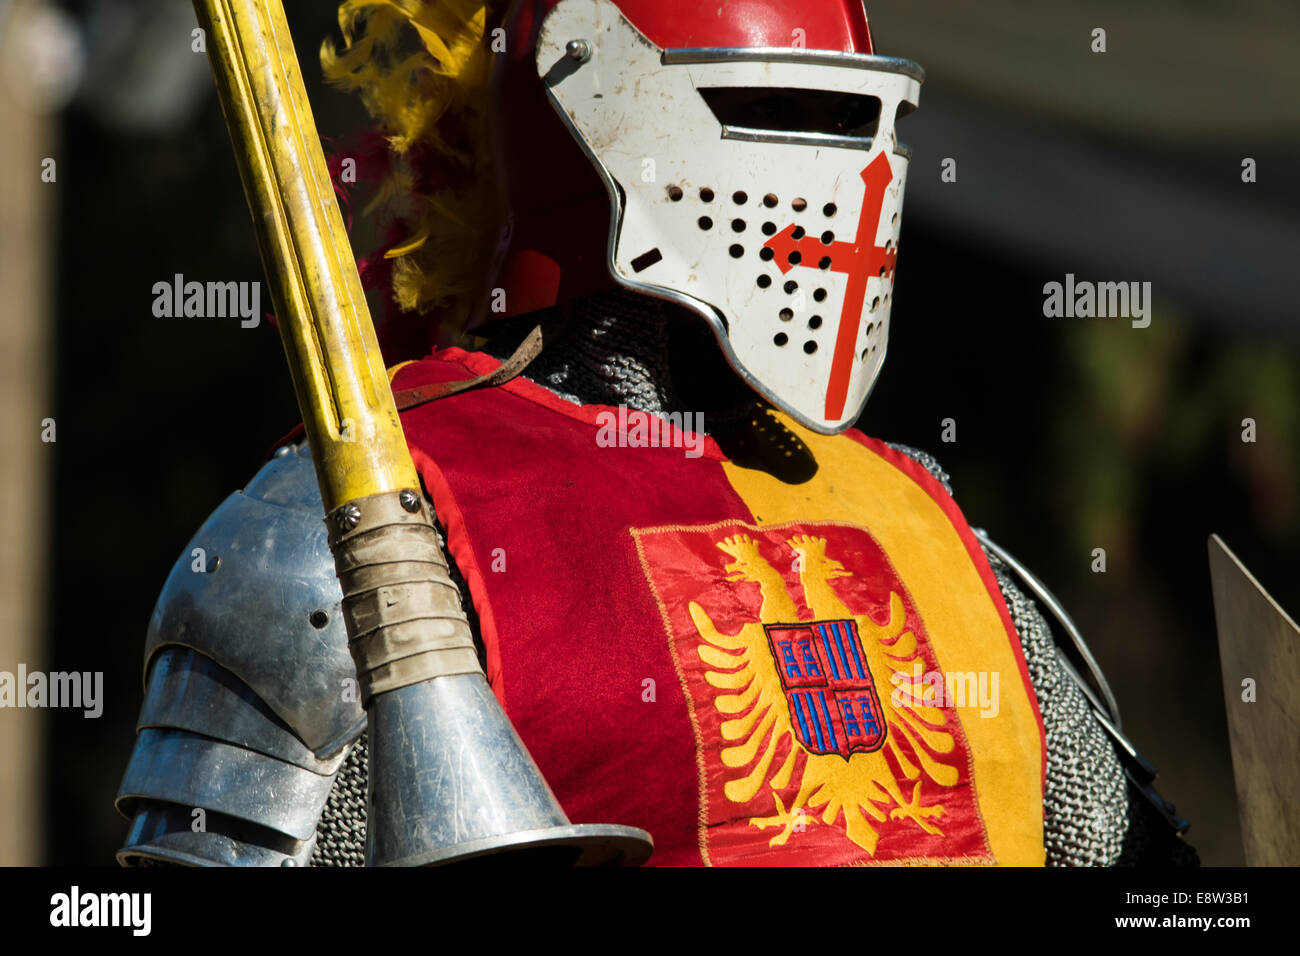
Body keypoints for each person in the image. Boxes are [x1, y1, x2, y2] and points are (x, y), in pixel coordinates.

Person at [114, 0, 1195, 867]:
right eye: (785, 119)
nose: (854, 176)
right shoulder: (367, 525)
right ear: (599, 114)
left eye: (868, 123)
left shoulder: (929, 519)